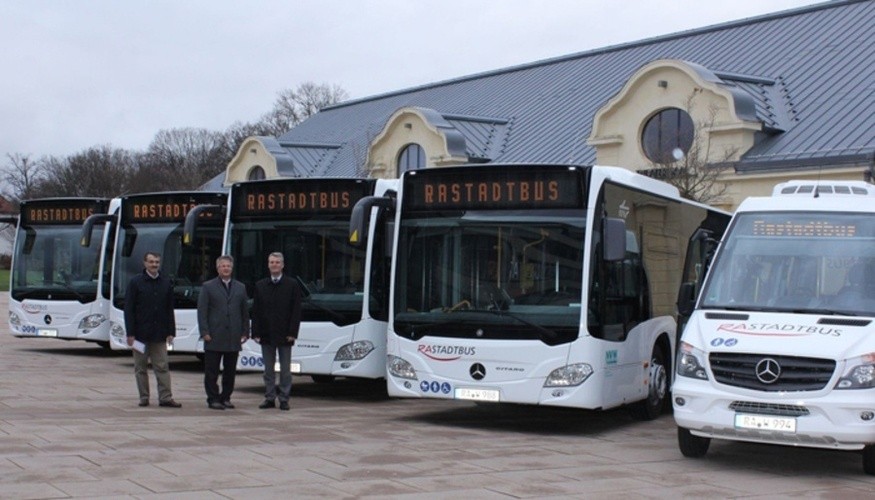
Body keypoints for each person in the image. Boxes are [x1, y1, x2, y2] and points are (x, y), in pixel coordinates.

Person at [124, 251, 181, 408]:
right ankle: (144, 397)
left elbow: (169, 309)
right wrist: (130, 333)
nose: (154, 265)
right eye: (151, 262)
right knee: (140, 368)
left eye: (156, 262)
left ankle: (166, 397)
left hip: (159, 334)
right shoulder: (135, 282)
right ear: (145, 263)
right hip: (139, 335)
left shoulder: (166, 282)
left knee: (162, 367)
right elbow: (129, 309)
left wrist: (171, 331)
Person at [197, 255, 250, 410]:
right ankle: (213, 398)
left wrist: (245, 331)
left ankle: (226, 397)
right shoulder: (208, 287)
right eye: (223, 266)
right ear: (217, 268)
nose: (226, 268)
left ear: (232, 268)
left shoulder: (240, 287)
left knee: (230, 371)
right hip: (214, 335)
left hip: (233, 336)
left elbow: (244, 312)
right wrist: (204, 331)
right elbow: (202, 311)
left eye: (228, 266)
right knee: (212, 371)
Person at [251, 252, 302, 411]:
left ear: (282, 265)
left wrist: (293, 332)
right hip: (266, 334)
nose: (274, 265)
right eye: (272, 262)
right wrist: (255, 332)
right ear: (268, 265)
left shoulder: (292, 285)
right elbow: (256, 311)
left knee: (285, 370)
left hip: (285, 334)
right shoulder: (260, 285)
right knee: (268, 370)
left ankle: (284, 399)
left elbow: (296, 311)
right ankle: (270, 397)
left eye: (277, 262)